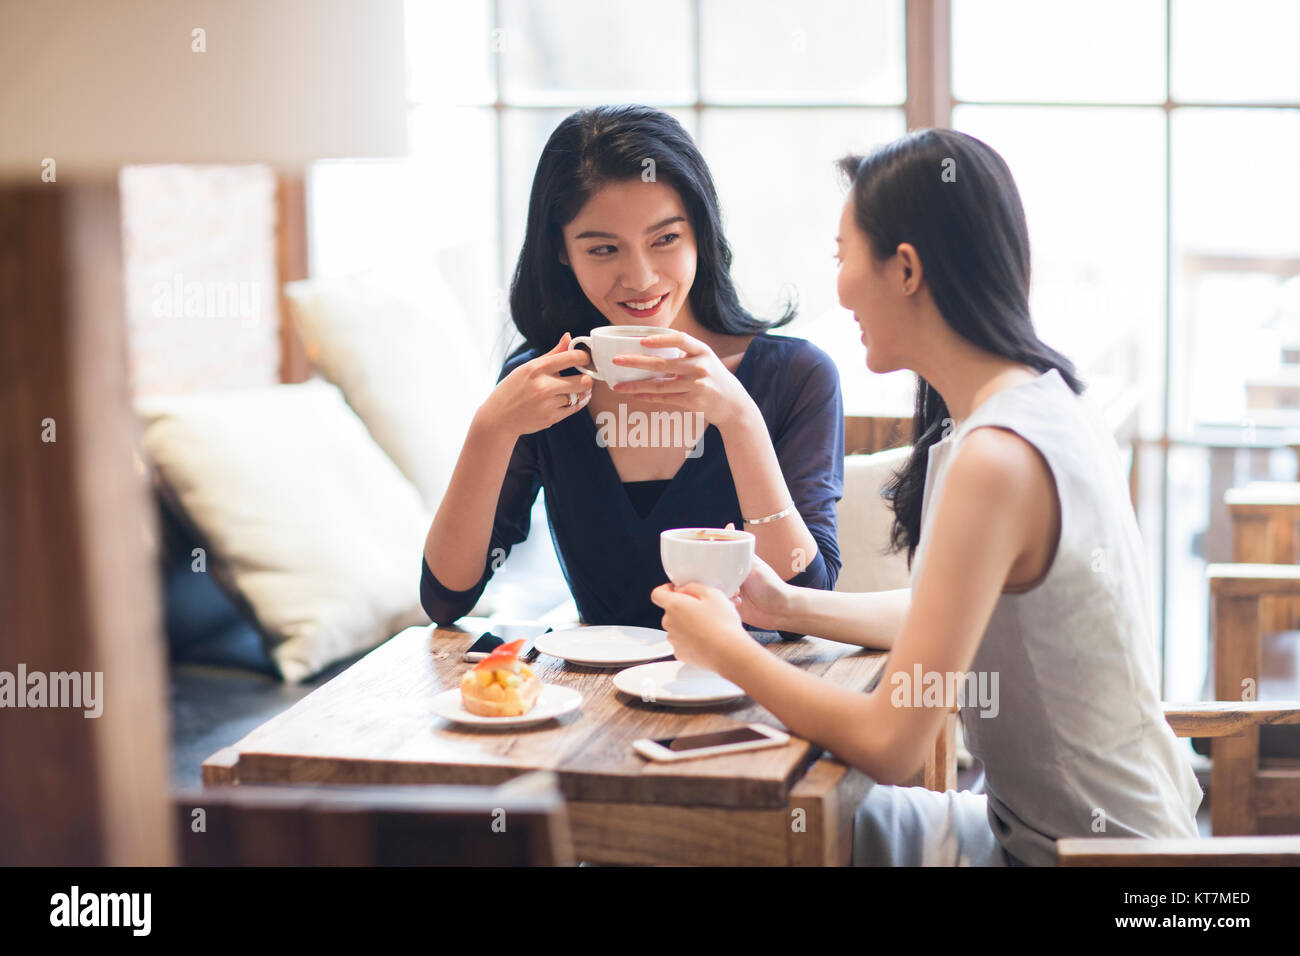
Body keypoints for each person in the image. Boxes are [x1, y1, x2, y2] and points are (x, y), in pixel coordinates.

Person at [651, 128, 1203, 866]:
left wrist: (726, 652)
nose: (840, 285)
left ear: (904, 268)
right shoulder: (1037, 400)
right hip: (1040, 829)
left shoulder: (997, 457)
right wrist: (785, 605)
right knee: (780, 833)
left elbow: (889, 740)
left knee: (752, 838)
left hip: (1096, 862)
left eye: (843, 255)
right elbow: (947, 613)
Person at [421, 105, 844, 631]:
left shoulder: (796, 377)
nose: (641, 279)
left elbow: (805, 602)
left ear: (701, 233)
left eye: (665, 239)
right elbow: (446, 601)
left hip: (752, 691)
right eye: (603, 249)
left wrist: (740, 419)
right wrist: (492, 428)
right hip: (597, 700)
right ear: (561, 252)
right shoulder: (546, 384)